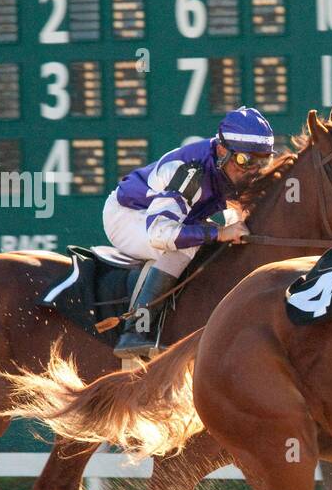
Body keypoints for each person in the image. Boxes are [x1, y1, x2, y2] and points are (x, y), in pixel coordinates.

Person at [102, 107, 275, 357]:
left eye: (262, 161)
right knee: (188, 243)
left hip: (176, 216)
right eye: (245, 161)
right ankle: (135, 331)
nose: (253, 170)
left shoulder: (228, 167)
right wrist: (218, 234)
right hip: (128, 215)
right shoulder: (190, 172)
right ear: (222, 150)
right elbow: (160, 234)